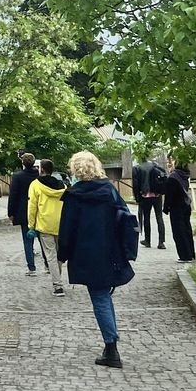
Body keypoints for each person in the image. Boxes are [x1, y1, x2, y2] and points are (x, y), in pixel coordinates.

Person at [58, 150, 135, 369]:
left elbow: (67, 230)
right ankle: (112, 341)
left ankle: (111, 348)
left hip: (87, 253)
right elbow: (124, 218)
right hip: (111, 251)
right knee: (103, 295)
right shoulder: (109, 190)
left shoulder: (74, 196)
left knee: (100, 297)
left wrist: (62, 255)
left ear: (75, 170)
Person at [26, 159, 68, 296]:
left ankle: (57, 285)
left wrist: (31, 225)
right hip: (60, 224)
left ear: (42, 169)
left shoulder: (35, 185)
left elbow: (32, 206)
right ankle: (58, 278)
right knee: (59, 254)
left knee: (51, 255)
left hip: (45, 224)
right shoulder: (62, 185)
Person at [8, 152, 39, 274]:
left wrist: (11, 213)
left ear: (23, 162)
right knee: (42, 239)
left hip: (23, 211)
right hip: (39, 210)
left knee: (27, 240)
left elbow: (13, 196)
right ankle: (48, 265)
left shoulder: (17, 176)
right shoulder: (38, 176)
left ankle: (31, 267)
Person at [132, 153, 167, 250]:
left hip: (145, 196)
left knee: (146, 217)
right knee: (159, 217)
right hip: (157, 195)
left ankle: (147, 241)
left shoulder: (137, 168)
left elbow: (135, 185)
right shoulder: (155, 165)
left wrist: (137, 197)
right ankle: (161, 242)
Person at [163, 157, 196, 263]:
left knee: (179, 232)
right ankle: (191, 254)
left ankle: (184, 256)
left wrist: (166, 208)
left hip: (176, 207)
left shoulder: (173, 177)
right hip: (186, 205)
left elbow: (169, 195)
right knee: (187, 230)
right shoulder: (185, 175)